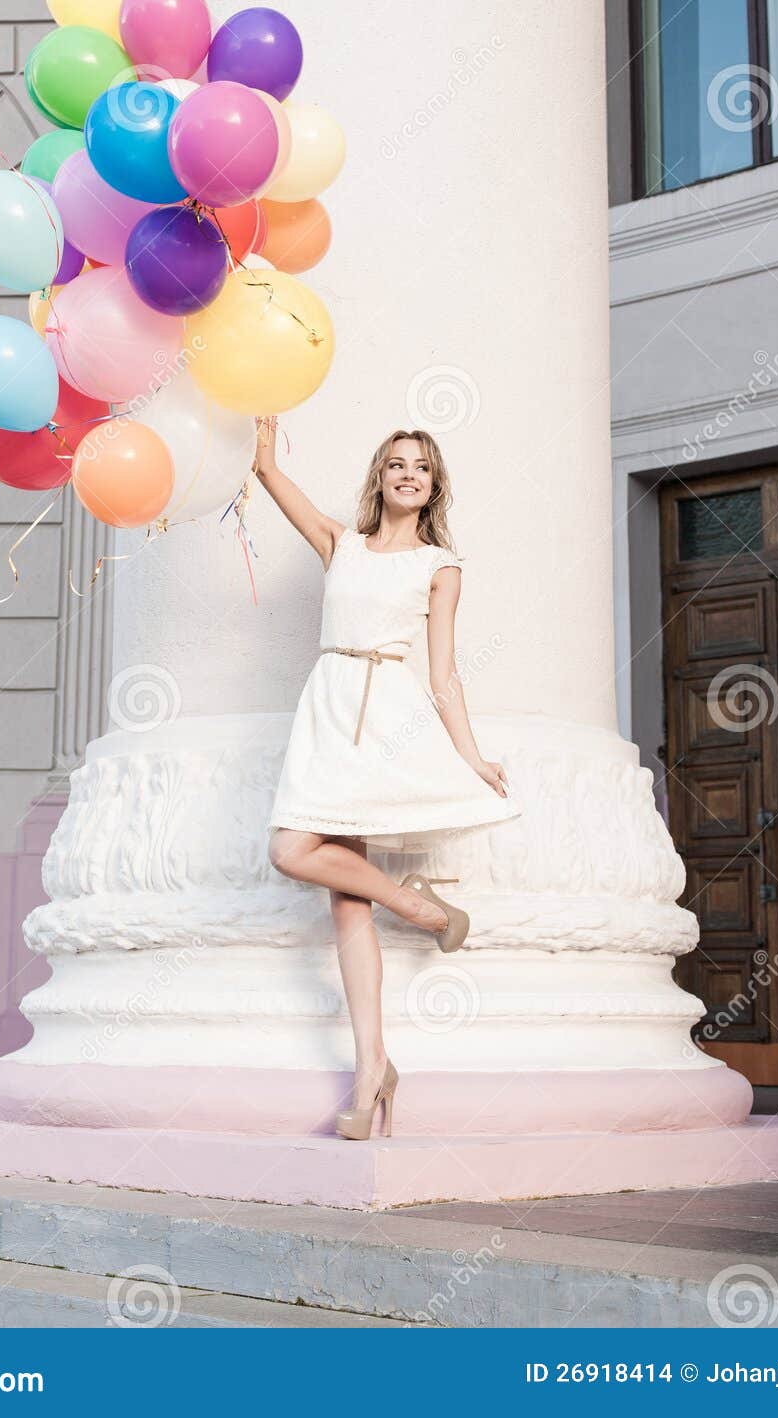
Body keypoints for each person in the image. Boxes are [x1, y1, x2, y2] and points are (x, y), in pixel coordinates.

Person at [255, 421, 520, 1140]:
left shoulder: (440, 565)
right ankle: (376, 1058)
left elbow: (441, 674)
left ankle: (373, 1066)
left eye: (422, 469)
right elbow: (274, 484)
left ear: (434, 487)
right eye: (396, 465)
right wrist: (261, 443)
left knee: (303, 858)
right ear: (378, 477)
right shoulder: (339, 543)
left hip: (383, 721)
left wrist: (471, 757)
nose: (408, 476)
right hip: (326, 710)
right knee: (337, 892)